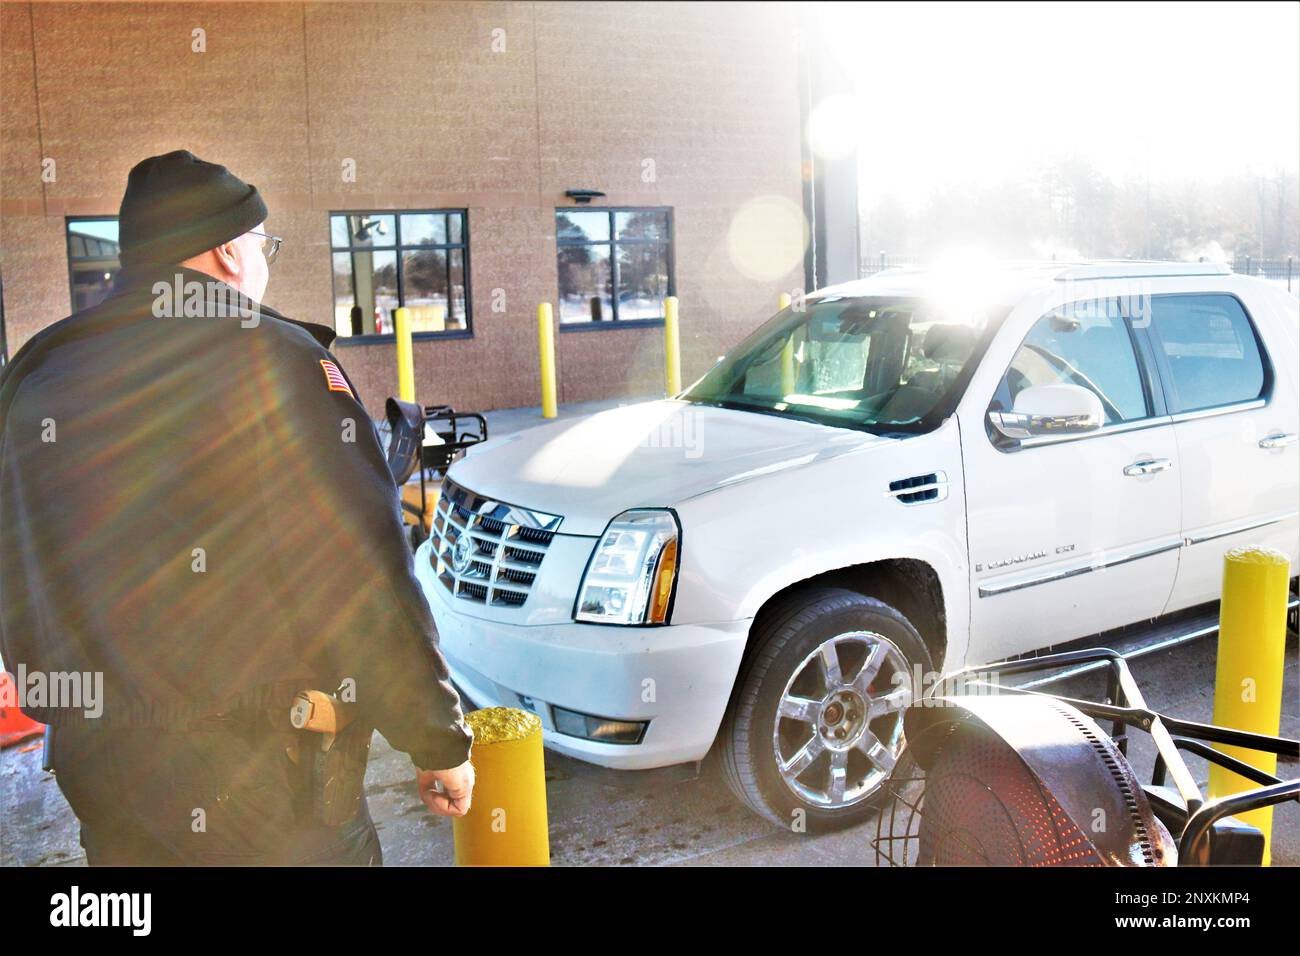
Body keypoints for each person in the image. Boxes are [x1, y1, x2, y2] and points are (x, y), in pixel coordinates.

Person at [0, 150, 473, 865]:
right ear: (227, 250)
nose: (264, 262)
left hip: (99, 768)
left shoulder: (37, 374)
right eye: (263, 244)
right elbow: (362, 575)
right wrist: (436, 736)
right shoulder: (275, 360)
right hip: (256, 780)